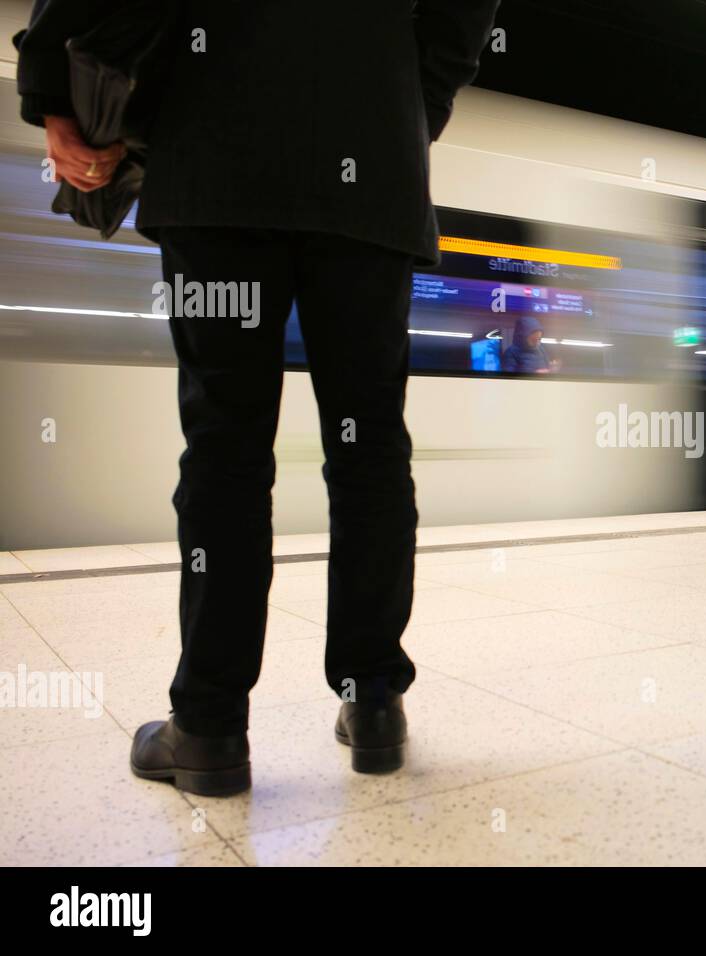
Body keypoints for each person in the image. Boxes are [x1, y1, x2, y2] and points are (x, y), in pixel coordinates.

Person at [15, 0, 500, 796]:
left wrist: (54, 91)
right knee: (369, 445)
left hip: (219, 160)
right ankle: (372, 698)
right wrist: (405, 105)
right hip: (370, 167)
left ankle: (208, 726)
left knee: (226, 446)